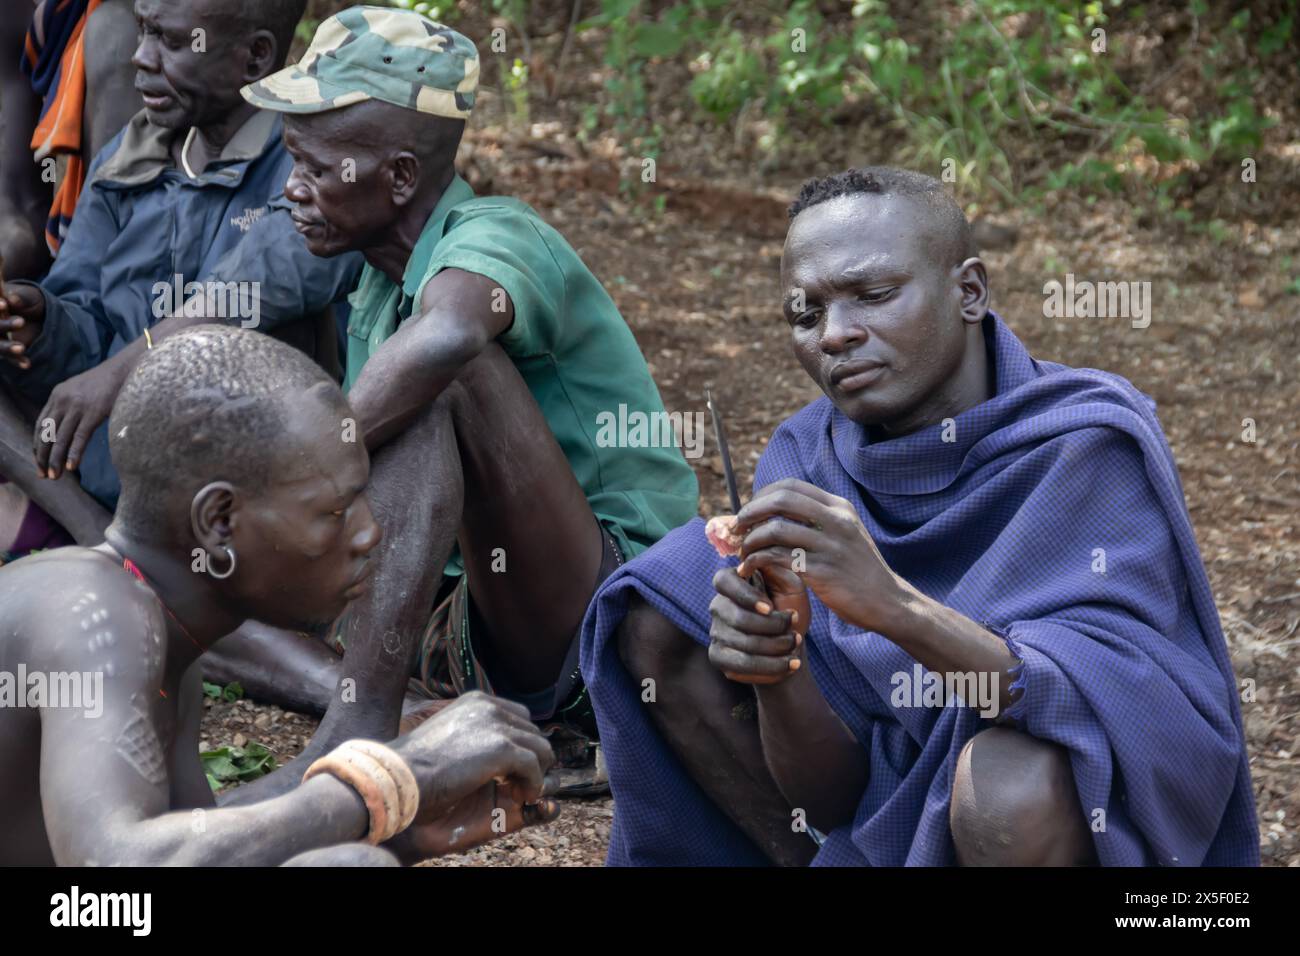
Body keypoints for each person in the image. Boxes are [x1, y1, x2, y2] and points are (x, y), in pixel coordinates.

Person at [579, 167, 1258, 866]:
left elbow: (1123, 711)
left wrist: (892, 606)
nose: (836, 335)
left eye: (872, 296)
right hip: (875, 830)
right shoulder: (805, 459)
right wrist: (778, 672)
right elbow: (838, 800)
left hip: (1036, 815)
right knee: (667, 596)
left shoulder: (1085, 444)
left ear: (968, 291)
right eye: (805, 314)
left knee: (1005, 787)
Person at [229, 7, 699, 785]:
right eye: (292, 162)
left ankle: (360, 726)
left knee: (445, 374)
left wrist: (290, 470)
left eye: (316, 169)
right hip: (467, 621)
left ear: (401, 177)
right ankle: (414, 710)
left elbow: (448, 341)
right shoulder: (379, 282)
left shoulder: (497, 234)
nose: (293, 190)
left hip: (599, 623)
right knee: (209, 590)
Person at [0, 326, 558, 866]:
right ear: (218, 521)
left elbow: (183, 851)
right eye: (334, 511)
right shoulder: (94, 614)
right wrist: (397, 776)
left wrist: (400, 832)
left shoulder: (166, 645)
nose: (369, 533)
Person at [0, 0, 361, 519]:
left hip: (254, 500)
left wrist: (120, 370)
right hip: (115, 476)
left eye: (170, 41)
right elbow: (85, 322)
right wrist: (38, 320)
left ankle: (111, 547)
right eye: (143, 30)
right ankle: (93, 532)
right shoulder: (129, 157)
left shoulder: (311, 161)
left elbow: (258, 287)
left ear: (255, 58)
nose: (139, 58)